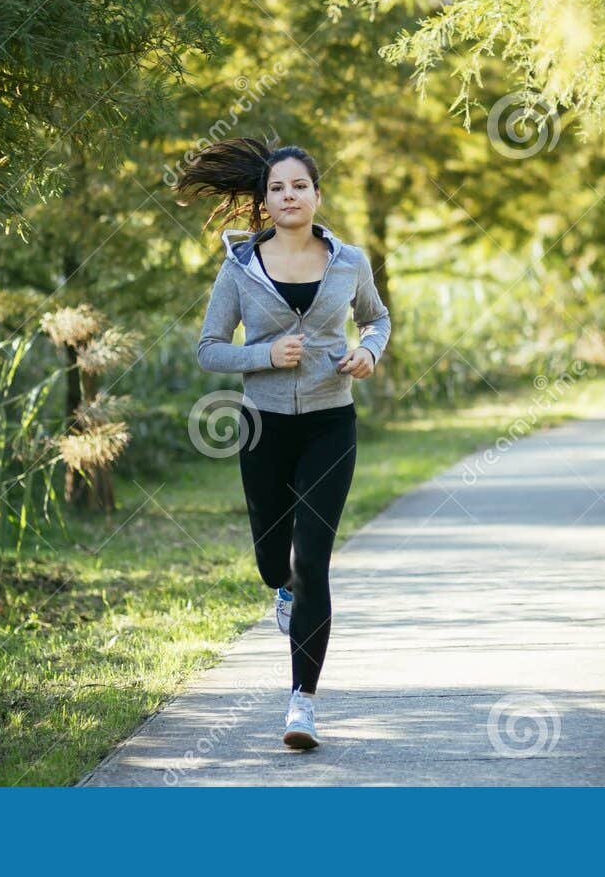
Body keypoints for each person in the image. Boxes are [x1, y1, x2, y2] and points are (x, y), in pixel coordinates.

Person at [176, 137, 392, 750]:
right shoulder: (239, 268)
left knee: (312, 562)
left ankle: (302, 704)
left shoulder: (349, 260)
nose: (289, 195)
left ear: (317, 194)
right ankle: (281, 589)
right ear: (265, 202)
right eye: (277, 188)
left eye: (299, 185)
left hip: (331, 424)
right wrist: (265, 355)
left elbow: (377, 318)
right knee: (276, 561)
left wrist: (367, 353)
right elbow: (209, 348)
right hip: (262, 427)